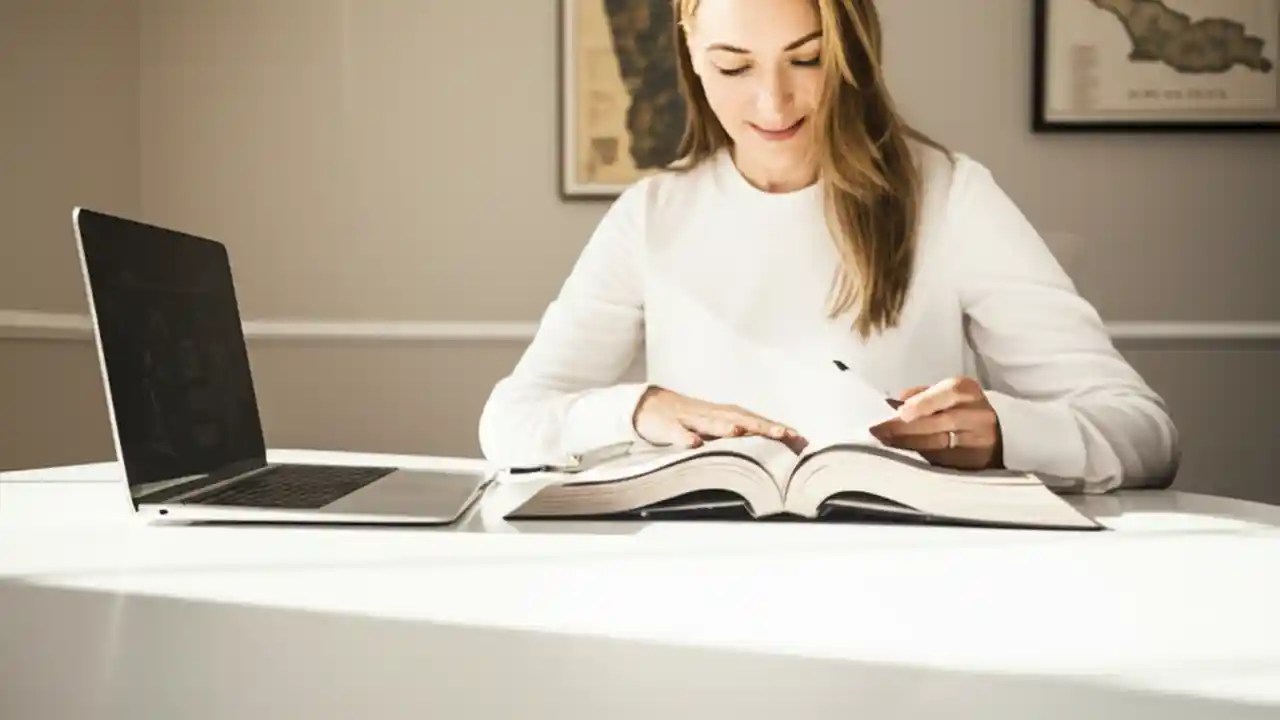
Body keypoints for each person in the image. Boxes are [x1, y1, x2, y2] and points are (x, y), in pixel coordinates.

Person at [478, 0, 1180, 491]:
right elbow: (509, 422)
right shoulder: (651, 216)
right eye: (733, 67)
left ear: (852, 51)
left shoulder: (951, 196)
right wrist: (640, 410)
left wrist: (1004, 434)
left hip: (910, 591)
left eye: (807, 59)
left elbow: (1144, 433)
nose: (774, 103)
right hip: (700, 586)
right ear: (691, 54)